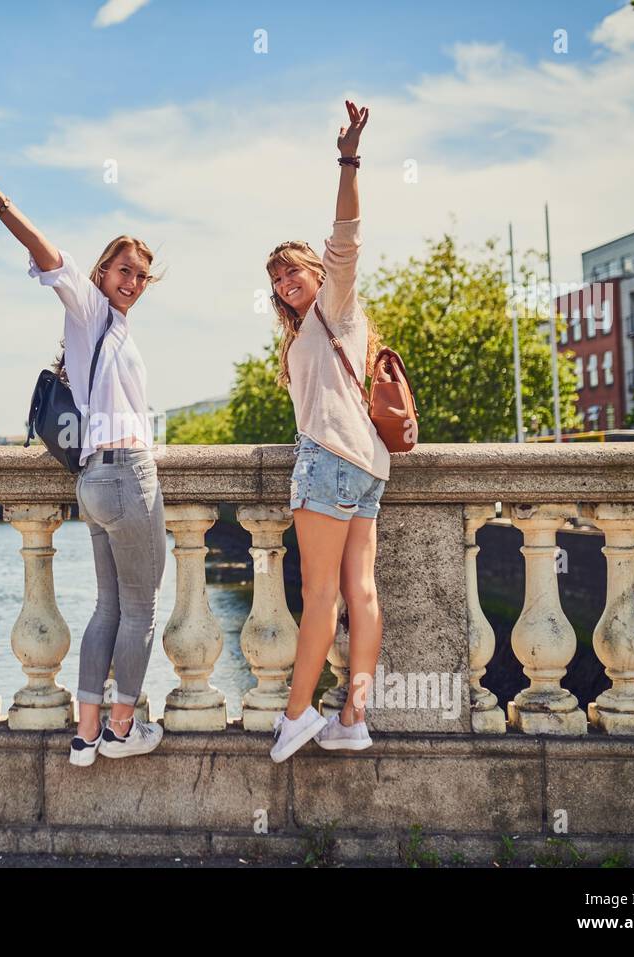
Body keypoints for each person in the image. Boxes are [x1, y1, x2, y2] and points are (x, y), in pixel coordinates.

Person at [0, 130, 168, 765]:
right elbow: (41, 248)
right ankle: (124, 729)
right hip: (126, 476)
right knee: (142, 608)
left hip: (95, 480)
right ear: (101, 272)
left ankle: (87, 731)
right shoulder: (89, 308)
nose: (133, 281)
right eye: (125, 270)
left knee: (107, 605)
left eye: (142, 276)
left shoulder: (113, 327)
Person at [263, 101, 388, 762]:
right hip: (366, 464)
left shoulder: (336, 304)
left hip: (331, 461)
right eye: (276, 278)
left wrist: (348, 158)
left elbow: (347, 234)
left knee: (319, 596)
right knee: (359, 593)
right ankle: (354, 717)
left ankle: (295, 715)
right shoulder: (326, 326)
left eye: (293, 270)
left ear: (317, 272)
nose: (285, 282)